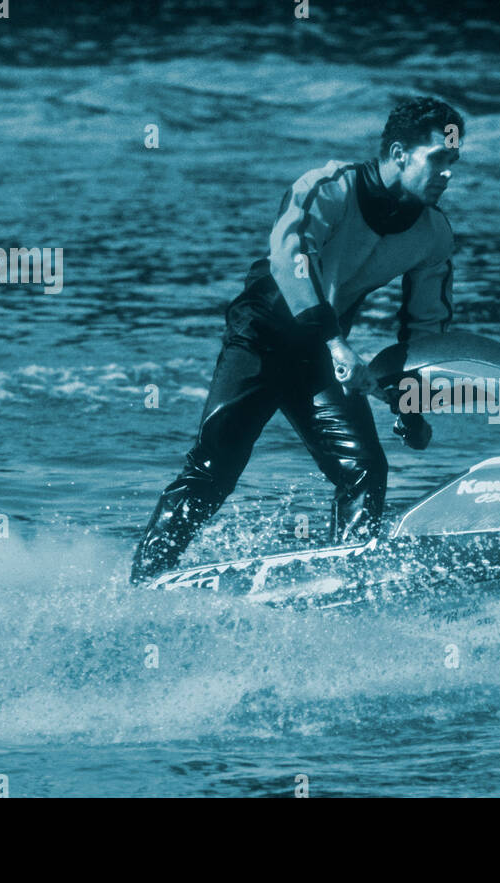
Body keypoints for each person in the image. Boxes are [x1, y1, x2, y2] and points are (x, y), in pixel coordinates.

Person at [130, 96, 465, 584]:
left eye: (453, 163)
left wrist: (414, 405)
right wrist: (334, 344)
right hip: (260, 337)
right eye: (438, 159)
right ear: (397, 153)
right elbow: (291, 258)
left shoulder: (433, 234)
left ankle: (349, 582)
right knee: (214, 467)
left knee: (365, 469)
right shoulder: (328, 187)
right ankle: (144, 586)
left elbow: (426, 327)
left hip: (319, 356)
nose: (448, 174)